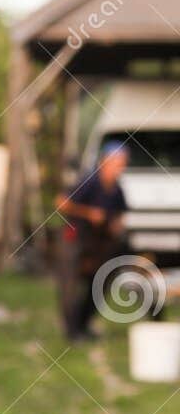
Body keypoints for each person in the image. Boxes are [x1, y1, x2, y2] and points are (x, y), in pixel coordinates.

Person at [57, 140, 133, 340]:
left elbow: (120, 214)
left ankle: (84, 324)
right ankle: (71, 331)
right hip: (75, 239)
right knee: (70, 287)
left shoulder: (117, 190)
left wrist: (116, 223)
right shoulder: (89, 182)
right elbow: (62, 203)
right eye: (118, 163)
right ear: (105, 162)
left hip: (98, 245)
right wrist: (89, 213)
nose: (121, 167)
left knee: (102, 281)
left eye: (123, 163)